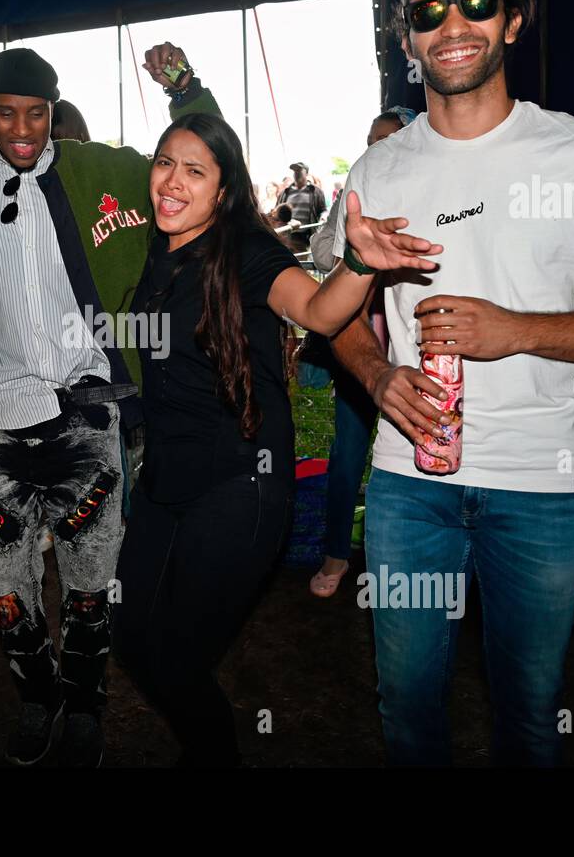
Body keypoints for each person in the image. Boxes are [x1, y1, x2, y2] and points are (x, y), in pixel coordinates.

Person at [326, 0, 574, 766]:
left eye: (477, 2)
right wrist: (377, 374)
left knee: (528, 708)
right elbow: (329, 312)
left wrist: (515, 329)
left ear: (512, 19)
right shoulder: (377, 168)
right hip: (413, 484)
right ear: (407, 39)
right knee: (407, 702)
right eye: (429, 12)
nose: (454, 24)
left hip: (542, 486)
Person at [114, 112, 441, 766]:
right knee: (129, 637)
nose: (172, 182)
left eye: (195, 170)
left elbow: (318, 311)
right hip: (165, 479)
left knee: (176, 660)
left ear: (225, 189)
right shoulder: (157, 251)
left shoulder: (249, 254)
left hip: (240, 481)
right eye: (164, 164)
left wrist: (357, 265)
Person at [0, 43, 219, 767]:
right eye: (5, 113)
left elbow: (202, 161)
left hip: (88, 415)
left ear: (53, 113)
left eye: (36, 113)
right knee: (6, 588)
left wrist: (185, 89)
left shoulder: (103, 171)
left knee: (92, 583)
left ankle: (86, 703)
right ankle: (37, 696)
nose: (22, 128)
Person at [307, 107, 415, 598]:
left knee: (416, 456)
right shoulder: (356, 186)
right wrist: (354, 256)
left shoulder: (432, 186)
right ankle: (336, 554)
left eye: (388, 138)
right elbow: (321, 248)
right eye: (372, 138)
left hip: (418, 349)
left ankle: (405, 565)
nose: (377, 147)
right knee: (348, 451)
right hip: (360, 344)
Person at [274, 161, 327, 252]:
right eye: (294, 171)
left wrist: (323, 217)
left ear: (306, 173)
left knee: (300, 260)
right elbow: (277, 210)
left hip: (304, 235)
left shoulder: (315, 192)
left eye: (299, 171)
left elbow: (323, 210)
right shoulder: (285, 192)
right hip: (287, 234)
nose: (296, 174)